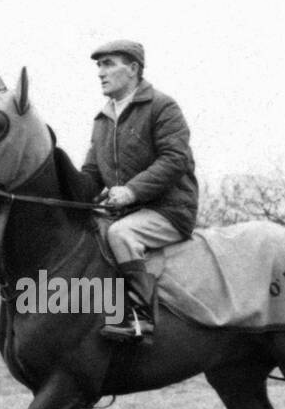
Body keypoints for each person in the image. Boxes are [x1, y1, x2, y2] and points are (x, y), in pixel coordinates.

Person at [82, 40, 199, 342]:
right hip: (127, 212)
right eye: (99, 65)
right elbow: (92, 174)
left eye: (108, 64)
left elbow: (176, 159)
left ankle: (139, 320)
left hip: (170, 211)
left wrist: (131, 191)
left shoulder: (162, 107)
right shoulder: (103, 119)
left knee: (121, 235)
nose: (100, 72)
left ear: (133, 69)